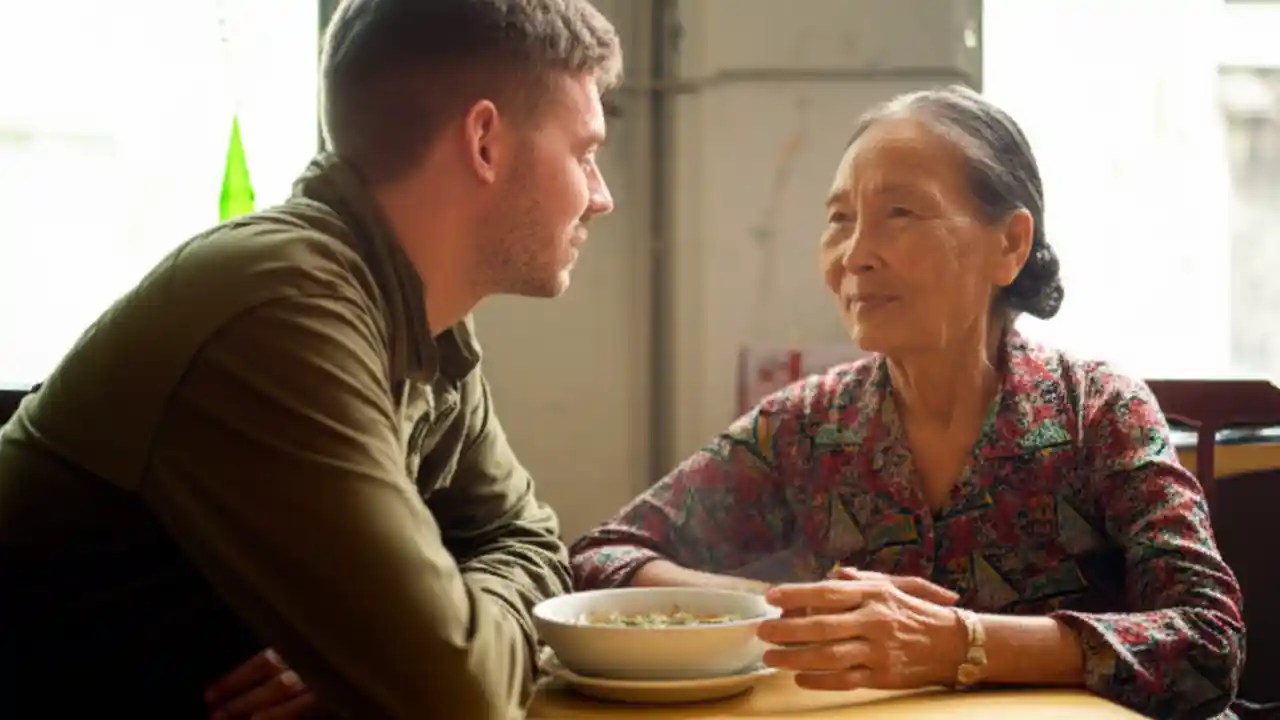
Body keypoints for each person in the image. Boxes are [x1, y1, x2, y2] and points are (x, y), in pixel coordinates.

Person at [0, 0, 620, 717]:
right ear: (484, 141)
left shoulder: (421, 322)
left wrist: (385, 648)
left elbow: (529, 544)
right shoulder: (282, 308)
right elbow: (458, 697)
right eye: (585, 152)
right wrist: (406, 654)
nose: (599, 197)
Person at [570, 85, 1245, 718]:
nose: (856, 254)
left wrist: (959, 642)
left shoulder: (1098, 413)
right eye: (839, 220)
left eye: (900, 213)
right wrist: (785, 610)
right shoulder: (805, 428)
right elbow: (599, 558)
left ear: (1009, 244)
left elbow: (1211, 642)